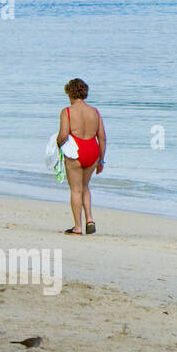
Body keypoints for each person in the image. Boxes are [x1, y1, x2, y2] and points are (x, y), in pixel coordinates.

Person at [56, 78, 105, 235]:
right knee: (85, 187)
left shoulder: (67, 111)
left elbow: (63, 135)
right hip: (93, 151)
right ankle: (89, 219)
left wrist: (56, 145)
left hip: (76, 151)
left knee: (75, 189)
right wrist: (101, 160)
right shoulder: (94, 112)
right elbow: (102, 137)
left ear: (70, 92)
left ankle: (77, 227)